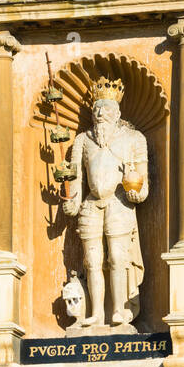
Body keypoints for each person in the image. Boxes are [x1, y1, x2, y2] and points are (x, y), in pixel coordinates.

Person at [62, 77, 148, 327]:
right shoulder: (81, 140)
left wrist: (137, 194)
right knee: (92, 260)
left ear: (117, 112)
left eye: (106, 108)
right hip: (91, 204)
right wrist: (72, 202)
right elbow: (76, 178)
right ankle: (98, 312)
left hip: (119, 202)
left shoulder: (134, 138)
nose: (100, 113)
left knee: (118, 258)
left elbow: (141, 180)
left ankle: (119, 310)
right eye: (97, 108)